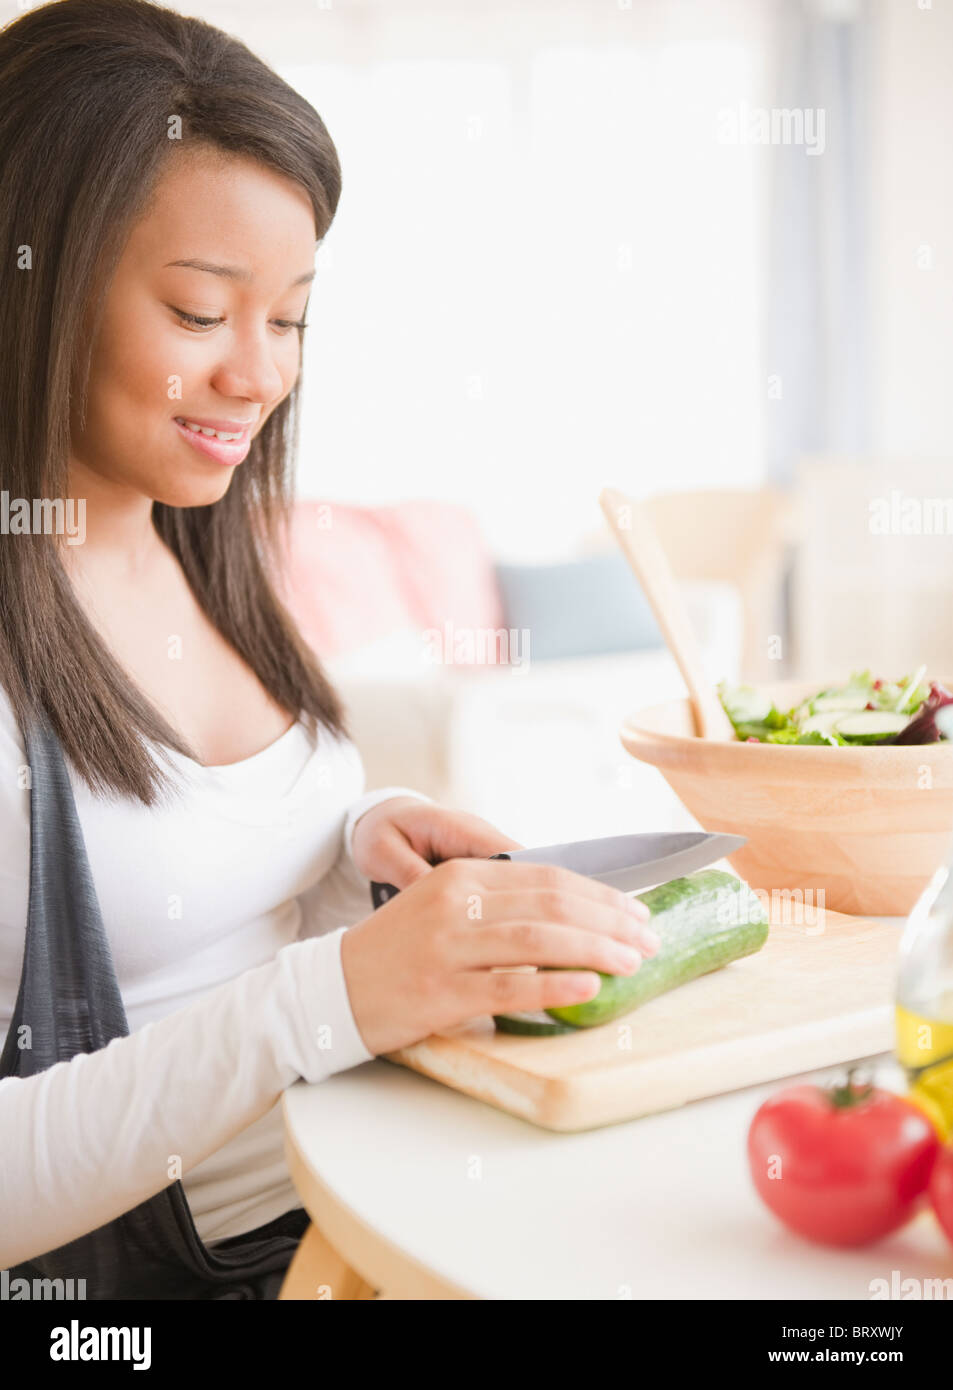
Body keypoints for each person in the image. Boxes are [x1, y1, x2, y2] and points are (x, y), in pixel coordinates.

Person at [0, 0, 658, 1297]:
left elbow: (214, 889)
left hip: (367, 1213)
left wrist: (359, 842)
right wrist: (337, 992)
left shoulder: (192, 541)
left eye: (290, 318)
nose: (259, 375)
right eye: (200, 312)